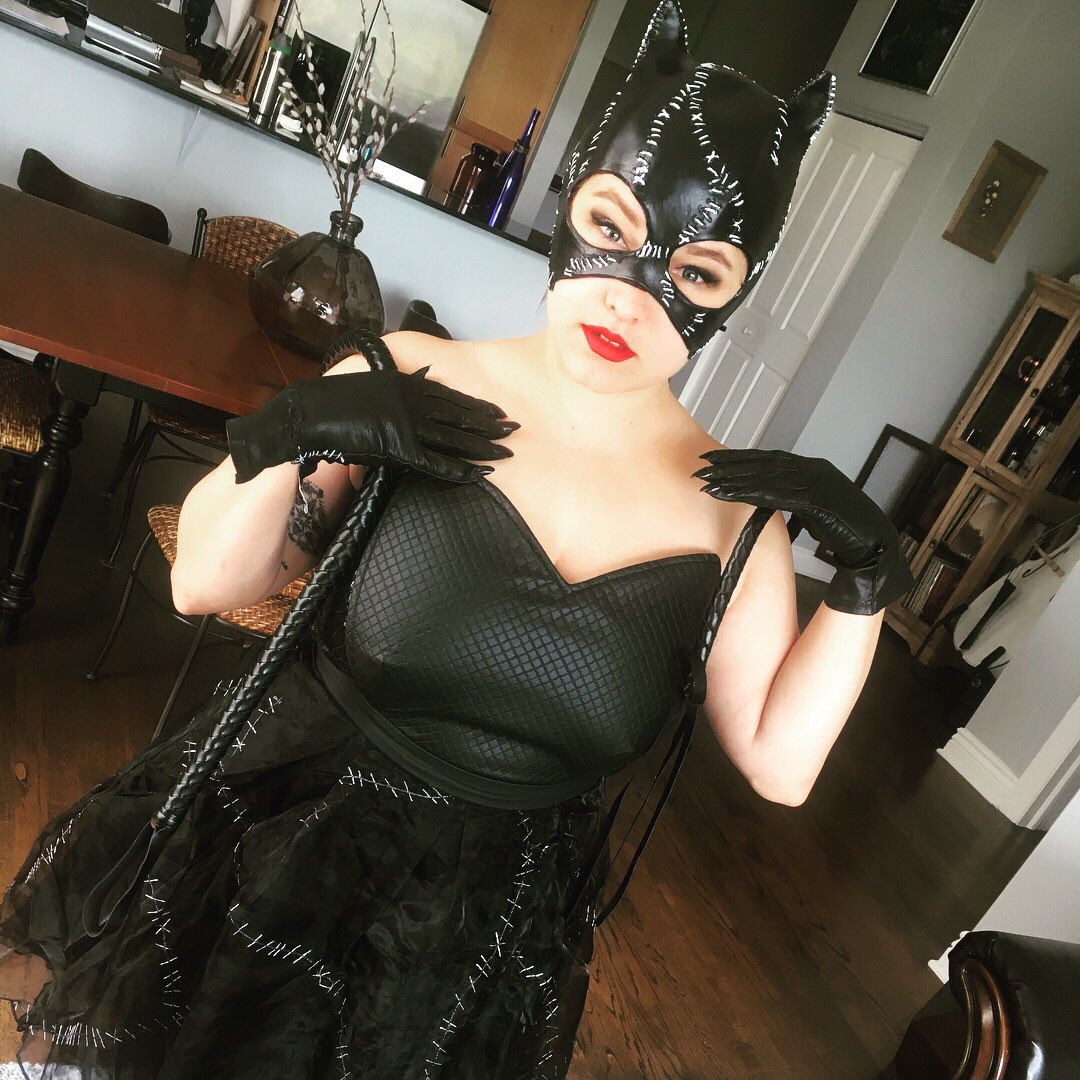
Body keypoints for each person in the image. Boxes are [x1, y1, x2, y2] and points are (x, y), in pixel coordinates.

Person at [0, 2, 914, 1077]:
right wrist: (295, 429)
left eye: (697, 273)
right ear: (571, 200)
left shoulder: (735, 520)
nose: (630, 296)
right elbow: (202, 581)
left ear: (739, 290)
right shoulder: (410, 376)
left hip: (476, 941)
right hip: (275, 852)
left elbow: (780, 766)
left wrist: (868, 578)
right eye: (611, 226)